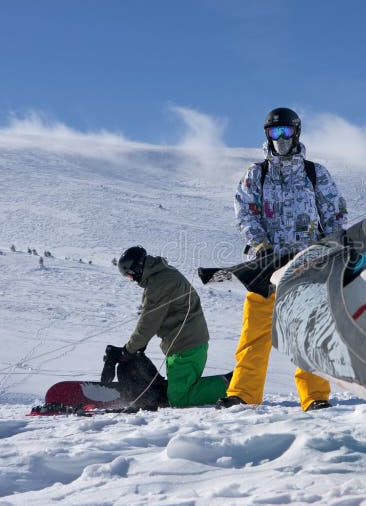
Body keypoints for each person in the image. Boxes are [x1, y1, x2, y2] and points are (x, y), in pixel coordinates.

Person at [217, 107, 348, 411]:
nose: (280, 139)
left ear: (296, 133)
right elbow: (245, 210)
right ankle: (244, 394)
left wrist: (330, 247)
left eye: (285, 132)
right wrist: (259, 244)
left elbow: (334, 213)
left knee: (309, 332)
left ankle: (315, 396)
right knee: (255, 334)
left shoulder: (315, 173)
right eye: (274, 133)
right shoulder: (256, 173)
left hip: (307, 264)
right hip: (266, 265)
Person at [105, 246, 230, 409]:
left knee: (180, 398)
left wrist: (127, 351)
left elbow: (148, 322)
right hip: (182, 344)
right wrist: (135, 348)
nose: (131, 279)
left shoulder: (159, 283)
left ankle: (234, 384)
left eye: (129, 274)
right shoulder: (161, 276)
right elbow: (154, 319)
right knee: (175, 391)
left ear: (137, 268)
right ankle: (232, 382)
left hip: (187, 345)